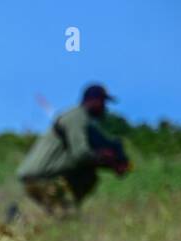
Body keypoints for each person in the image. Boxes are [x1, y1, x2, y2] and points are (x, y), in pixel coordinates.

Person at [16, 84, 129, 214]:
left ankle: (22, 218)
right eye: (103, 102)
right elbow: (80, 154)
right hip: (42, 179)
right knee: (67, 216)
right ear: (93, 100)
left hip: (40, 178)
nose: (104, 107)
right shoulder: (77, 118)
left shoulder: (81, 119)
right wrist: (104, 158)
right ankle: (21, 219)